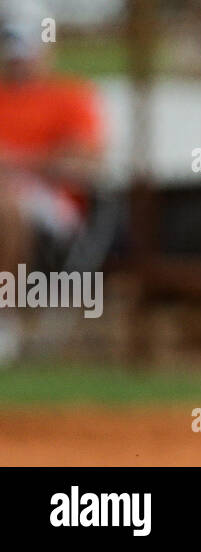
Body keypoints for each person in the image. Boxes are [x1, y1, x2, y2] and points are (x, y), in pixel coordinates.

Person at [0, 18, 105, 364]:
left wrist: (16, 161)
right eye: (12, 55)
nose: (18, 63)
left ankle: (5, 319)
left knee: (8, 206)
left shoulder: (69, 96)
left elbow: (83, 162)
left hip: (52, 205)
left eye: (25, 54)